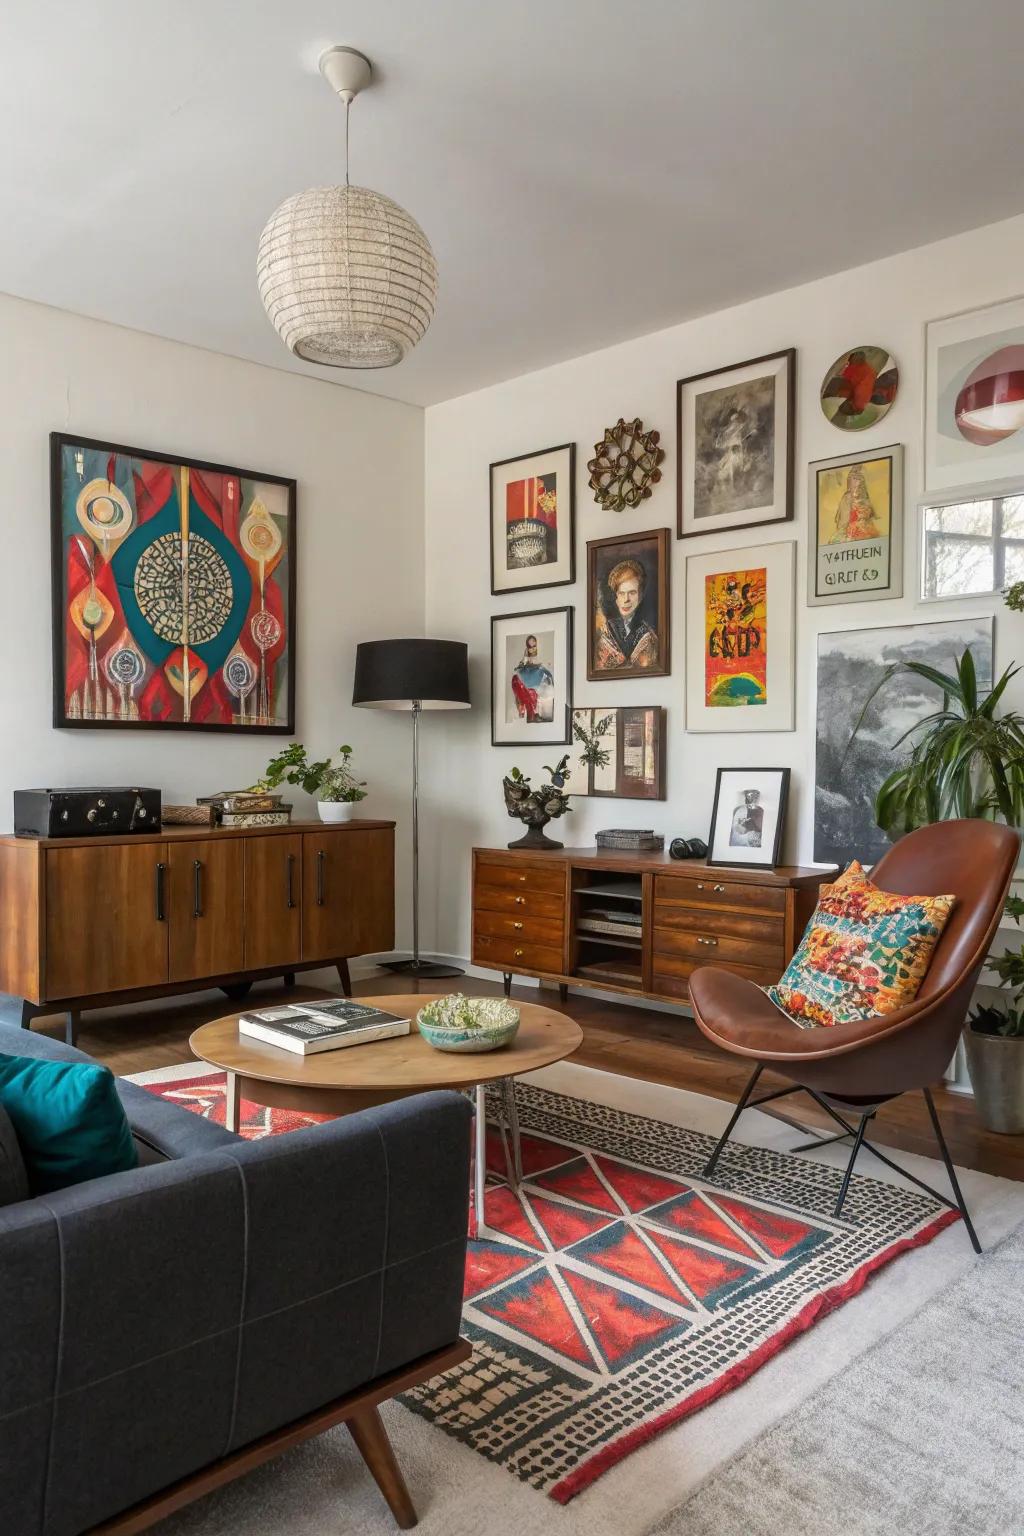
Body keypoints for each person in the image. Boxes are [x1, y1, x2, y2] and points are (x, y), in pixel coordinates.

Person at [594, 558, 659, 670]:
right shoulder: (605, 631)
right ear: (616, 598)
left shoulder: (648, 636)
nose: (626, 600)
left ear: (640, 596)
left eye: (632, 593)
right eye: (621, 593)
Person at [510, 633, 555, 722]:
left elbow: (538, 659)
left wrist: (540, 663)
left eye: (533, 641)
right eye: (530, 641)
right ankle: (532, 712)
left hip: (536, 667)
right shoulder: (527, 650)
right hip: (530, 668)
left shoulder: (537, 650)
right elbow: (525, 660)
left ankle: (536, 712)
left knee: (543, 676)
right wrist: (524, 663)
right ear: (528, 642)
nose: (532, 642)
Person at [832, 465, 881, 541]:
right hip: (850, 531)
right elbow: (843, 521)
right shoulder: (847, 497)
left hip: (865, 528)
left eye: (858, 479)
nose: (856, 482)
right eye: (854, 479)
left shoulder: (864, 495)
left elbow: (870, 513)